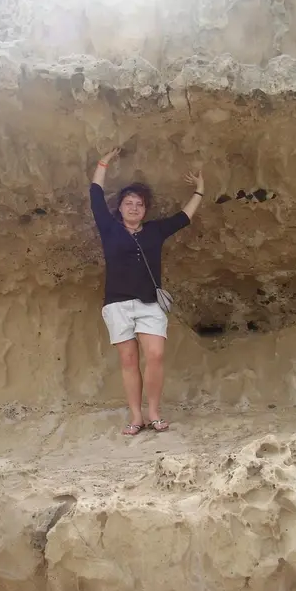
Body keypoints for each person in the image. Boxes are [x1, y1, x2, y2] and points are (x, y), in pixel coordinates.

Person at [89, 147, 204, 435]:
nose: (133, 208)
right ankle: (136, 416)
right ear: (120, 208)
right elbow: (95, 195)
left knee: (155, 355)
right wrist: (103, 162)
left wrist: (200, 190)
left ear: (145, 209)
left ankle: (154, 412)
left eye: (139, 204)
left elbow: (184, 217)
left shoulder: (154, 231)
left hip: (149, 303)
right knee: (128, 361)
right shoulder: (109, 228)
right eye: (128, 203)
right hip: (117, 304)